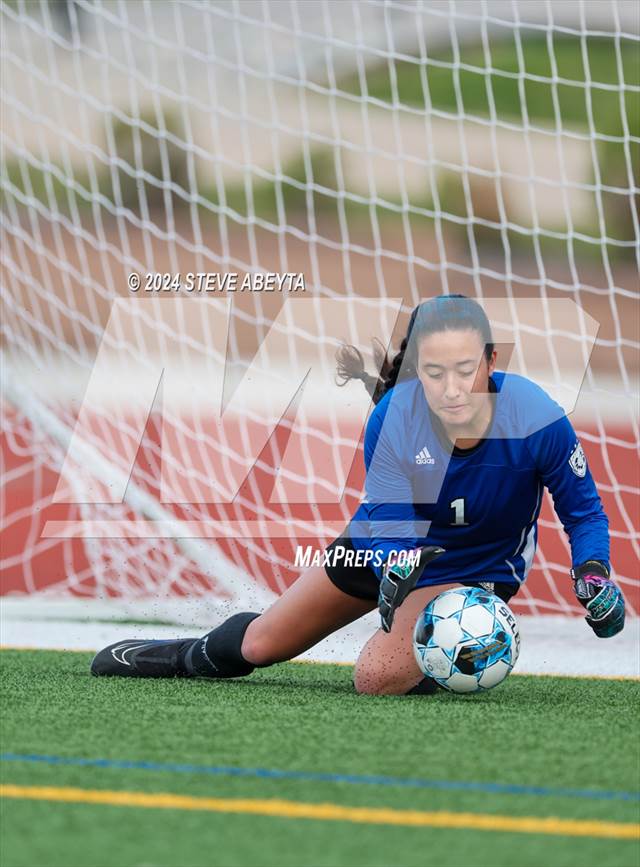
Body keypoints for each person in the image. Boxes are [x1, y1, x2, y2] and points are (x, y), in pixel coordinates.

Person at [91, 295, 625, 694]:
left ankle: (452, 658)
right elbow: (391, 519)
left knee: (376, 677)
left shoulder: (538, 419)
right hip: (379, 547)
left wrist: (594, 573)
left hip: (467, 569)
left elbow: (583, 513)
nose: (453, 388)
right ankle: (178, 656)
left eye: (466, 370)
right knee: (258, 645)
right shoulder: (393, 416)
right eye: (435, 372)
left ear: (489, 361)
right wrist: (395, 566)